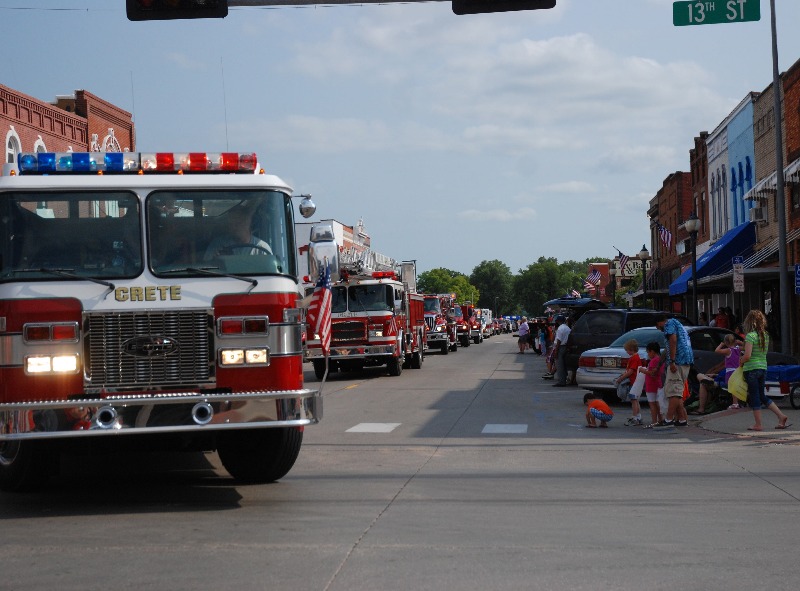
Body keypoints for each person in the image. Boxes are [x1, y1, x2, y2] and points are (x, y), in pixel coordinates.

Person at [739, 310, 791, 431]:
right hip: (763, 368)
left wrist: (740, 361)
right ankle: (781, 416)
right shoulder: (765, 335)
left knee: (755, 396)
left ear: (749, 322)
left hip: (751, 369)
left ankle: (758, 424)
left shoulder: (750, 336)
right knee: (762, 395)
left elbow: (747, 355)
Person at [655, 313, 691, 427]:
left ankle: (668, 419)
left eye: (657, 326)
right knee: (676, 392)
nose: (659, 329)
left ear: (661, 322)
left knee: (674, 391)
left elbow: (673, 340)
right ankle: (681, 419)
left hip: (678, 361)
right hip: (685, 360)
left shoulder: (669, 324)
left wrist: (672, 361)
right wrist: (660, 362)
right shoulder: (678, 324)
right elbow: (668, 347)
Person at [204, 201, 272, 260]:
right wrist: (216, 259)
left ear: (249, 223)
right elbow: (206, 269)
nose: (235, 226)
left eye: (239, 222)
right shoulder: (218, 245)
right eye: (231, 222)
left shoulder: (262, 248)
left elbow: (270, 270)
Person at [613, 339, 642, 426]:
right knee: (636, 400)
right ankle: (638, 416)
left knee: (633, 400)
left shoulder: (634, 358)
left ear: (631, 349)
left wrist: (620, 379)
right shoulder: (637, 357)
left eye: (627, 350)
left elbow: (630, 371)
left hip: (633, 382)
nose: (627, 352)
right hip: (636, 381)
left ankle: (635, 416)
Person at [639, 341, 664, 427]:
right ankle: (660, 420)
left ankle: (654, 421)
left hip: (651, 385)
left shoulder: (654, 360)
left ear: (652, 351)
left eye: (648, 352)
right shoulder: (660, 359)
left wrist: (643, 370)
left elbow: (652, 373)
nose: (648, 354)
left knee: (652, 404)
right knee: (658, 404)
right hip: (658, 384)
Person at [552, 315, 571, 387]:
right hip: (566, 347)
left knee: (559, 365)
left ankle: (561, 381)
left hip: (560, 347)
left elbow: (559, 340)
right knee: (564, 365)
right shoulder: (567, 328)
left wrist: (556, 351)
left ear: (558, 321)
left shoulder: (560, 329)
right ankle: (565, 379)